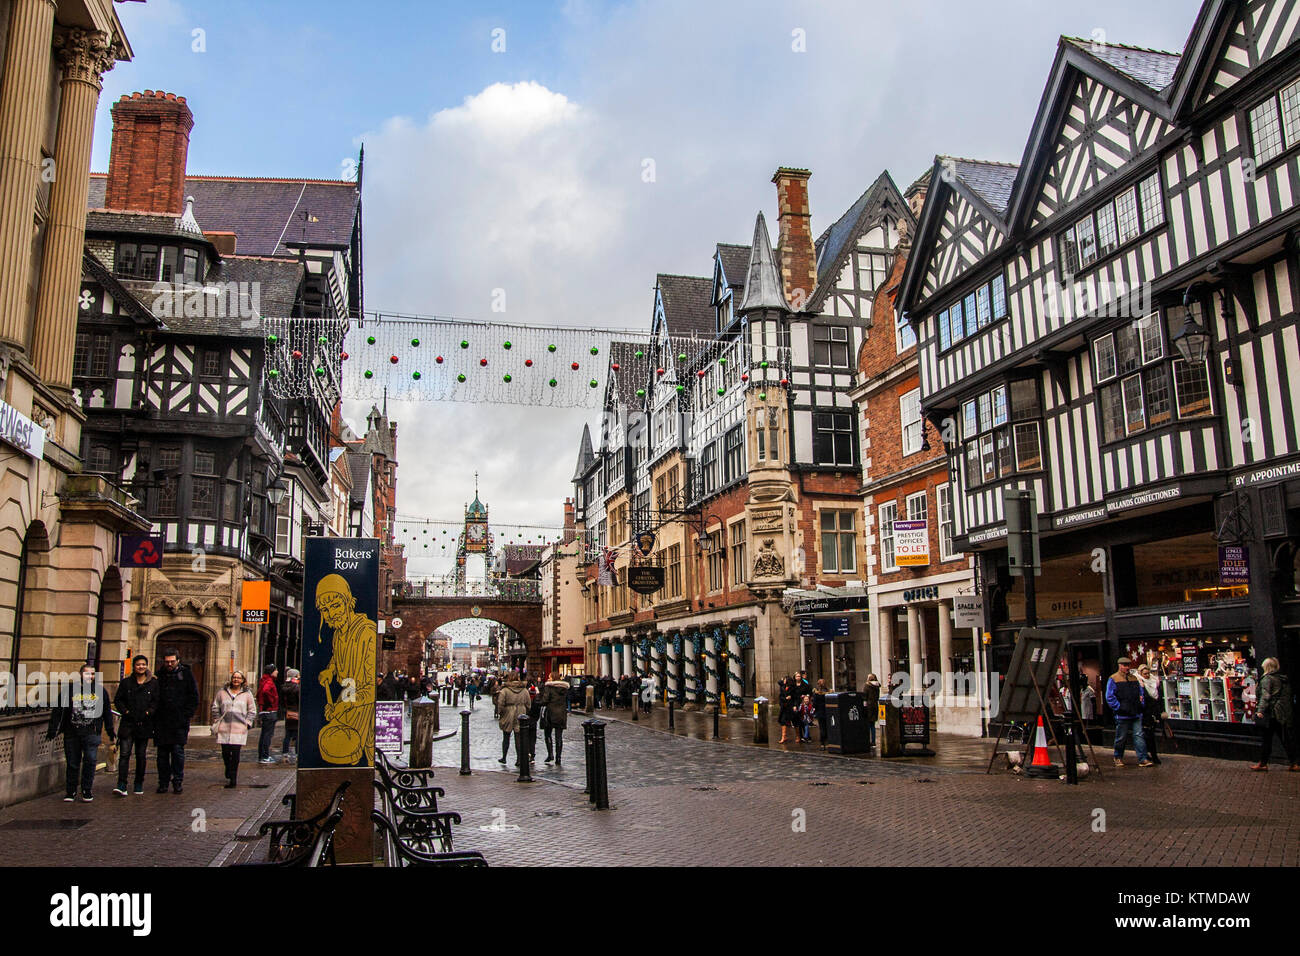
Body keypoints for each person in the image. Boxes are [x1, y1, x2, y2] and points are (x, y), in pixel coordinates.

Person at [47, 664, 116, 802]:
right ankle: (71, 790)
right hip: (72, 732)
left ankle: (86, 790)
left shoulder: (100, 691)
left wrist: (110, 730)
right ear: (80, 675)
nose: (89, 676)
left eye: (92, 674)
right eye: (86, 674)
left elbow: (107, 712)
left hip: (92, 732)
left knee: (90, 761)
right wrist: (53, 729)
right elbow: (58, 711)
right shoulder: (70, 690)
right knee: (73, 763)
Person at [113, 655, 159, 796]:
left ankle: (139, 783)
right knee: (125, 754)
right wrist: (126, 712)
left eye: (143, 664)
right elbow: (118, 700)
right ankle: (122, 784)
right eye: (138, 664)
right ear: (134, 666)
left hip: (144, 724)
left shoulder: (153, 683)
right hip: (128, 724)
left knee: (141, 755)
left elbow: (156, 702)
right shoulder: (126, 683)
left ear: (147, 666)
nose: (141, 667)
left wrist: (148, 712)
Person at [155, 648, 199, 793]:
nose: (169, 664)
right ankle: (163, 782)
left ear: (178, 661)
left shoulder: (186, 674)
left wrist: (187, 714)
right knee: (162, 754)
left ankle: (178, 780)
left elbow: (194, 696)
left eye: (172, 661)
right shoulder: (159, 675)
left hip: (179, 721)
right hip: (162, 721)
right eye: (167, 661)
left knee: (177, 751)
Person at [1250, 658, 1298, 771]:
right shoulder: (1282, 678)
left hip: (1271, 713)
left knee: (1267, 739)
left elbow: (1265, 696)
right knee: (1285, 738)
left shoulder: (1267, 679)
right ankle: (1294, 763)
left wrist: (1260, 710)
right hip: (1282, 713)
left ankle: (1263, 763)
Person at [211, 671, 257, 788]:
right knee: (226, 753)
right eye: (234, 677)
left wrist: (247, 723)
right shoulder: (222, 692)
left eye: (238, 678)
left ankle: (233, 778)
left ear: (242, 680)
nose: (236, 680)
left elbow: (252, 710)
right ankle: (228, 768)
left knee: (235, 754)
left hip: (239, 728)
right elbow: (215, 706)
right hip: (224, 727)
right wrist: (217, 719)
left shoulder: (247, 694)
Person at [1106, 657, 1152, 768]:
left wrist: (1140, 705)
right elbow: (1109, 696)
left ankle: (1143, 758)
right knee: (1121, 737)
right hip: (1122, 714)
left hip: (1135, 712)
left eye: (1128, 665)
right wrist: (1119, 707)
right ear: (1119, 665)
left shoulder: (1134, 678)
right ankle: (1118, 757)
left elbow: (1140, 693)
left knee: (1139, 735)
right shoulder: (1114, 679)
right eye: (1124, 665)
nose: (1127, 667)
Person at [496, 671, 532, 764]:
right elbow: (528, 704)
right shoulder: (524, 690)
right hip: (521, 712)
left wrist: (501, 713)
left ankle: (504, 757)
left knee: (506, 736)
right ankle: (519, 759)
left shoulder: (505, 690)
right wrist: (525, 711)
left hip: (508, 712)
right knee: (519, 737)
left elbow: (500, 704)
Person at [1137, 664, 1165, 766]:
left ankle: (1150, 754)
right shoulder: (1139, 684)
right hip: (1145, 713)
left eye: (1148, 673)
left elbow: (1160, 697)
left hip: (1154, 712)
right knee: (1147, 735)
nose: (1147, 675)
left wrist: (1161, 711)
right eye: (1145, 674)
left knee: (1150, 734)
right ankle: (1151, 755)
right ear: (1140, 674)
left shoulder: (1155, 682)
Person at [540, 672, 571, 765]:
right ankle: (558, 757)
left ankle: (550, 754)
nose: (548, 678)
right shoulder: (564, 688)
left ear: (553, 678)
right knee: (559, 736)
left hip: (550, 713)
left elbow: (545, 700)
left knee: (548, 734)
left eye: (549, 677)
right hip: (561, 713)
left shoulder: (549, 687)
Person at [256, 664, 279, 764]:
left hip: (265, 711)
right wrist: (272, 701)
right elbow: (265, 692)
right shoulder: (269, 681)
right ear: (272, 672)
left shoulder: (263, 680)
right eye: (276, 670)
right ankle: (265, 756)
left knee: (264, 734)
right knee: (267, 735)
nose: (277, 672)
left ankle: (262, 755)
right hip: (269, 711)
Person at [281, 668, 301, 761]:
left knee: (287, 735)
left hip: (288, 713)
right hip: (296, 712)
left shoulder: (284, 687)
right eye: (298, 675)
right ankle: (297, 755)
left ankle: (285, 754)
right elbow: (299, 700)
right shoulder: (296, 688)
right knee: (297, 735)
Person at [861, 674, 882, 752]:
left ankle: (867, 741)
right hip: (875, 706)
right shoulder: (877, 686)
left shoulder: (867, 686)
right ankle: (873, 741)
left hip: (869, 706)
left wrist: (864, 707)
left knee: (867, 724)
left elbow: (864, 697)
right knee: (872, 725)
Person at [778, 676, 796, 744]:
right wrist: (785, 699)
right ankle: (783, 736)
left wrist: (794, 705)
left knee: (795, 722)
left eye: (785, 679)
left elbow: (795, 697)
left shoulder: (792, 688)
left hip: (790, 707)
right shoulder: (783, 687)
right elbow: (781, 696)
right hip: (784, 707)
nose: (784, 681)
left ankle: (798, 736)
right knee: (783, 721)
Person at [812, 679, 829, 750]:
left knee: (822, 728)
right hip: (828, 712)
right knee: (827, 728)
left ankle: (822, 744)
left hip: (820, 712)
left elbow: (814, 704)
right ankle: (828, 743)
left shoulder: (816, 694)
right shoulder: (828, 693)